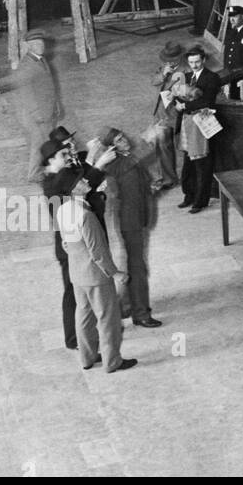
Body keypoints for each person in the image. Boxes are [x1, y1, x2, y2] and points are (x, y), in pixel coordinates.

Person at [56, 175, 136, 373]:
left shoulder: (63, 209)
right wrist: (115, 273)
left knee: (83, 315)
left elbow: (65, 243)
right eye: (80, 182)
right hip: (96, 276)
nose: (86, 182)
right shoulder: (86, 216)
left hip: (77, 273)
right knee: (108, 318)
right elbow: (97, 251)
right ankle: (112, 361)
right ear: (74, 190)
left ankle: (87, 357)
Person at [40, 137, 113, 351]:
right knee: (75, 293)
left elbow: (80, 178)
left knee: (80, 293)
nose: (69, 157)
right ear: (50, 160)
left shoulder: (57, 175)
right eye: (63, 155)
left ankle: (83, 336)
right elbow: (83, 185)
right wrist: (98, 163)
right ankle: (75, 339)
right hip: (73, 245)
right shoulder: (56, 180)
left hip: (76, 241)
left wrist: (91, 158)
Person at [96, 127, 163, 329]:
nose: (124, 140)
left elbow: (137, 181)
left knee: (134, 264)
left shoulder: (126, 158)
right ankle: (140, 313)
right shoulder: (117, 164)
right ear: (112, 147)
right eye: (118, 139)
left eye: (123, 136)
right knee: (138, 267)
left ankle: (125, 306)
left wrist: (150, 188)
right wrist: (148, 139)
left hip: (137, 217)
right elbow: (137, 160)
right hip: (130, 220)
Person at [175, 45, 222, 213]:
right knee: (188, 162)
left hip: (202, 126)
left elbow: (207, 102)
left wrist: (185, 105)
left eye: (196, 62)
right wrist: (178, 103)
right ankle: (189, 195)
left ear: (203, 60)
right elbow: (177, 95)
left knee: (202, 163)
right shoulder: (186, 77)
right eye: (191, 62)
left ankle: (201, 201)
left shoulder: (212, 77)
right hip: (187, 124)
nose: (194, 65)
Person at [11, 34, 64, 182]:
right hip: (35, 114)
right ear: (29, 46)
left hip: (47, 109)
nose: (41, 47)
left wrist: (57, 104)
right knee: (38, 143)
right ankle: (34, 174)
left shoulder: (41, 60)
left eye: (42, 44)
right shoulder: (26, 66)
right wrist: (36, 114)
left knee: (45, 140)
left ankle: (44, 168)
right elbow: (26, 94)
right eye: (37, 44)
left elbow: (50, 87)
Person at [146, 41, 186, 191]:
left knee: (169, 145)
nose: (170, 61)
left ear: (179, 57)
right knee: (161, 146)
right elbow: (154, 81)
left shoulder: (185, 70)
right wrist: (163, 73)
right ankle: (168, 178)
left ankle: (170, 178)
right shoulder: (164, 68)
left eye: (173, 58)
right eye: (167, 59)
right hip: (160, 112)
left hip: (174, 114)